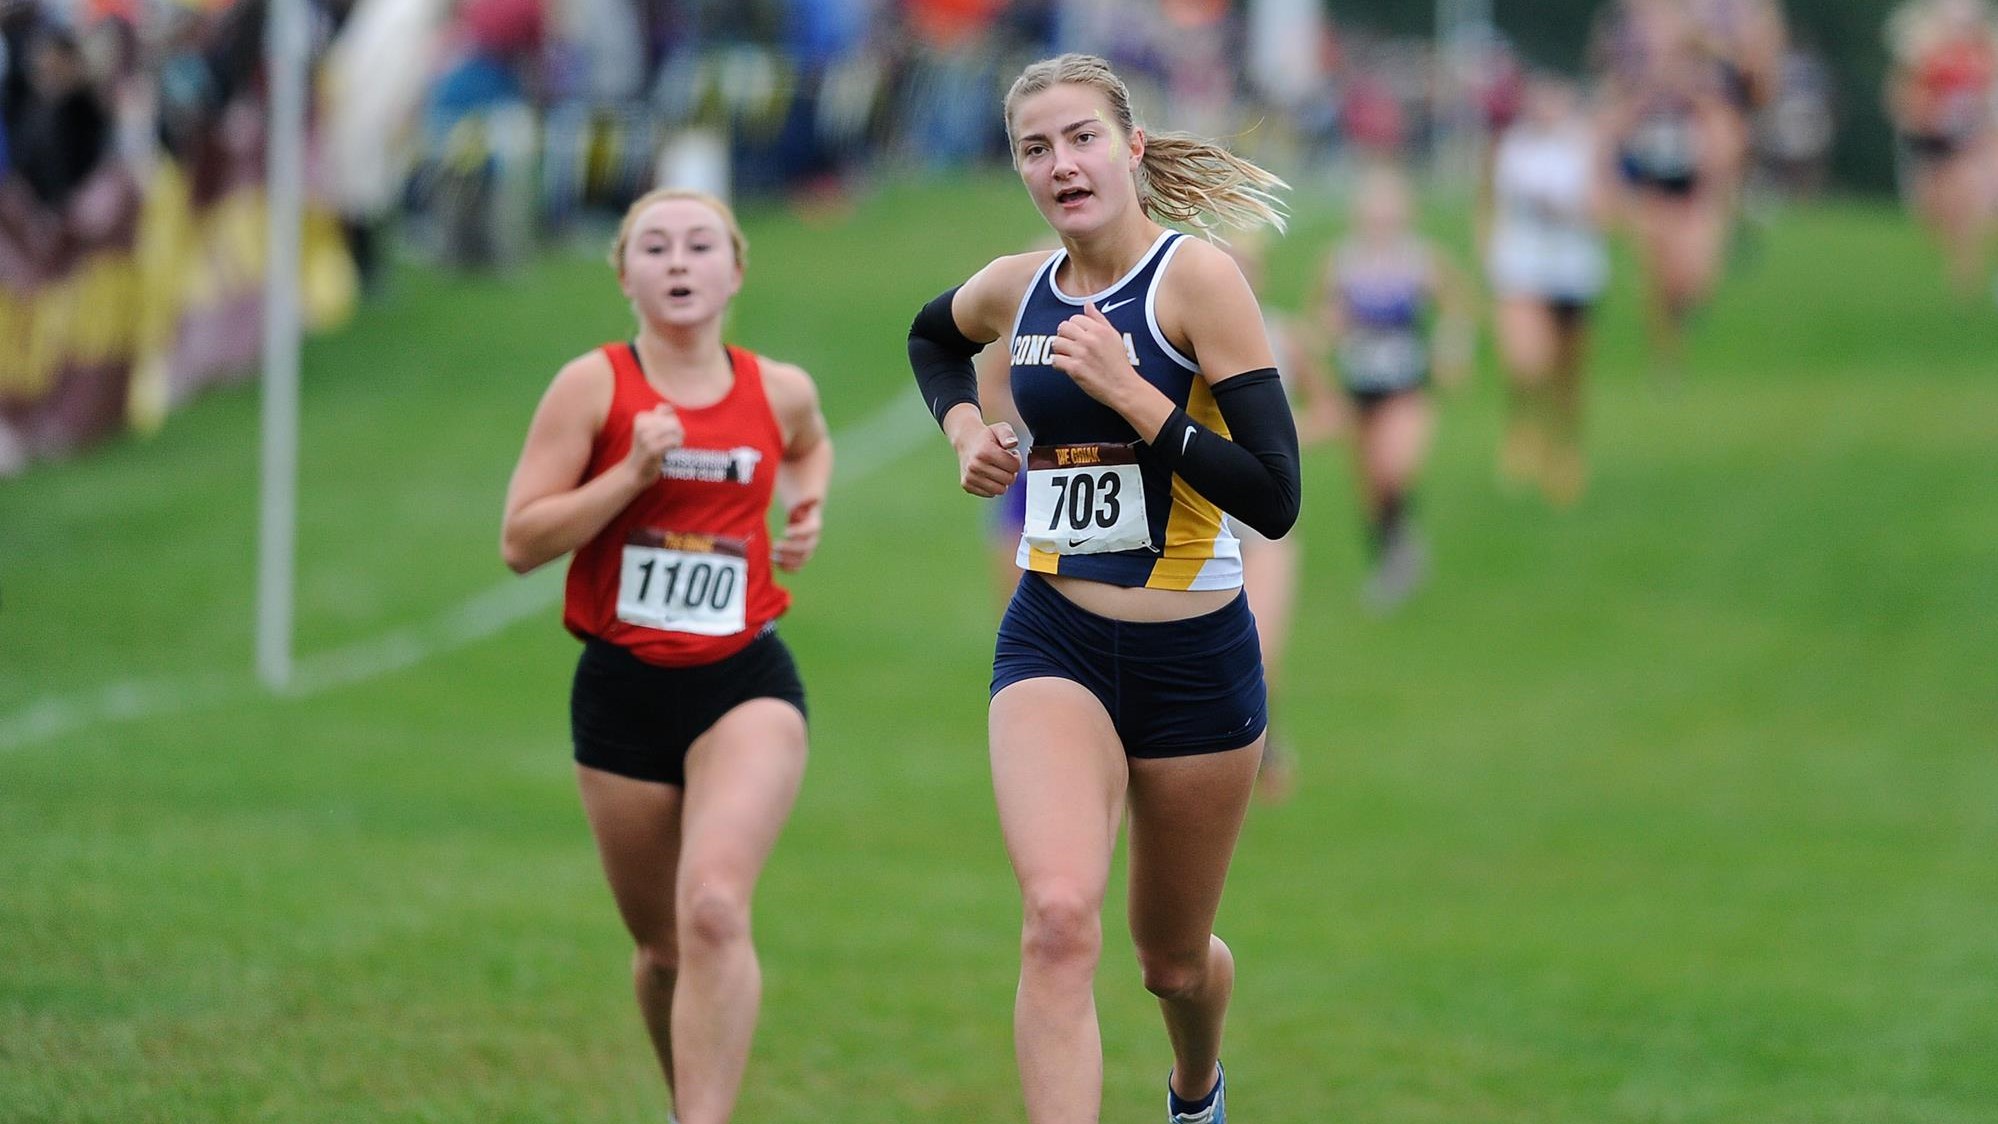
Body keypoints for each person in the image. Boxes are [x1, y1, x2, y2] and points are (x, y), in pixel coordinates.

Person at [906, 52, 1298, 1124]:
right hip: (1055, 641)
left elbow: (1276, 495)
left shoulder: (1199, 283)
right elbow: (935, 336)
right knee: (1057, 916)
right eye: (1036, 148)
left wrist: (1136, 397)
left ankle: (1196, 1084)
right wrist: (963, 434)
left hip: (1198, 660)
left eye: (1081, 138)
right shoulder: (1017, 286)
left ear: (1129, 146)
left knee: (1170, 963)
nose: (1061, 163)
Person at [499, 187, 832, 1124]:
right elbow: (522, 543)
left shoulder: (779, 388)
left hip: (745, 684)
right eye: (655, 247)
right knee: (664, 953)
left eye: (698, 246)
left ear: (735, 271)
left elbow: (809, 445)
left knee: (717, 906)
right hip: (621, 692)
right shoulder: (592, 387)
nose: (678, 263)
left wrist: (807, 508)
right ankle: (691, 1096)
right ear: (624, 275)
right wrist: (630, 476)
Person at [1316, 164, 1474, 610]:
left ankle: (1402, 549)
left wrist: (1451, 351)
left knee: (1394, 469)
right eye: (1373, 210)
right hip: (1358, 385)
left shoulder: (1420, 260)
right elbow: (1323, 321)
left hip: (1406, 384)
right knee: (1370, 488)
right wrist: (1331, 330)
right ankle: (1393, 558)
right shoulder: (1342, 261)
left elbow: (1457, 307)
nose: (1380, 219)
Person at [1220, 233, 1341, 802]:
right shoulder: (1177, 335)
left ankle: (1266, 746)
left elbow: (1329, 412)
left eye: (1247, 268)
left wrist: (1278, 444)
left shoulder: (1284, 336)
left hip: (1266, 519)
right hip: (1200, 516)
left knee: (1260, 647)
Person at [1480, 74, 1612, 506]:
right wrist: (1489, 255)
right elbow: (1488, 203)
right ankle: (1523, 426)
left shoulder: (1585, 145)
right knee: (1525, 361)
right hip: (1522, 268)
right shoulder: (1512, 147)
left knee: (1567, 372)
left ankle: (1564, 446)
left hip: (1573, 271)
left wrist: (1579, 206)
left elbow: (1605, 204)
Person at [1593, 0, 1737, 370]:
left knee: (1695, 277)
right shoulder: (1642, 88)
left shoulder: (1705, 89)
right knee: (1660, 277)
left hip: (1690, 193)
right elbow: (1611, 131)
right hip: (1652, 189)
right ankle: (1666, 353)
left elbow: (1724, 141)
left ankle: (1681, 317)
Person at [1885, 0, 1998, 296]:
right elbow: (1902, 95)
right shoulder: (1923, 50)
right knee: (1932, 216)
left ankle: (1966, 280)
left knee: (1967, 206)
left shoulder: (1987, 54)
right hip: (1929, 142)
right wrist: (1919, 116)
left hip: (1971, 142)